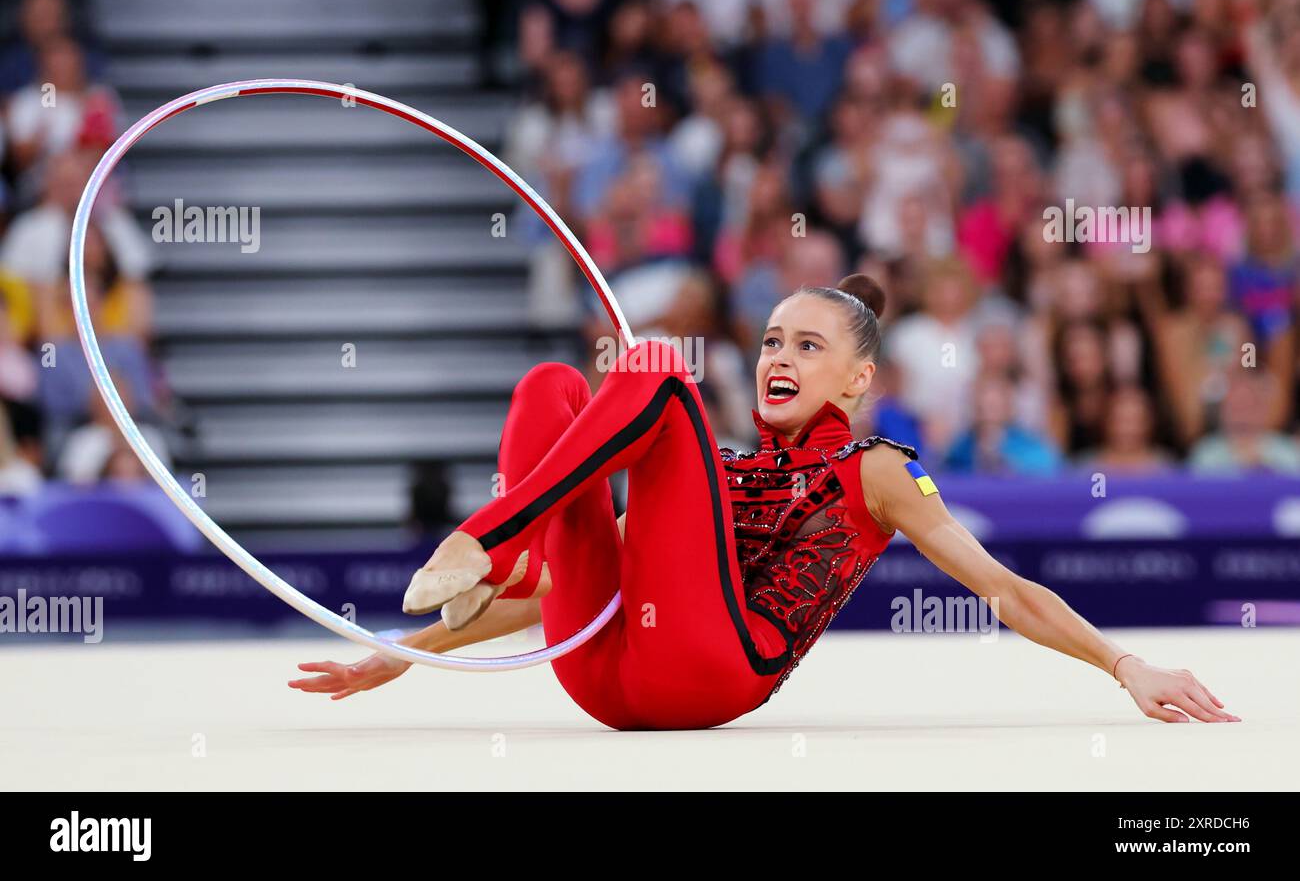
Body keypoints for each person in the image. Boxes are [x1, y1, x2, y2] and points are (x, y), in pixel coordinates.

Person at [291, 276, 1238, 730]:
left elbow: (1001, 588)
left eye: (808, 347)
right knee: (550, 384)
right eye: (774, 340)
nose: (779, 358)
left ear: (858, 379)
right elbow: (565, 606)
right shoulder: (726, 473)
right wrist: (400, 655)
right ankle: (505, 546)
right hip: (605, 679)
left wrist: (1125, 665)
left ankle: (491, 535)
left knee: (659, 376)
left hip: (712, 670)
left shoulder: (876, 471)